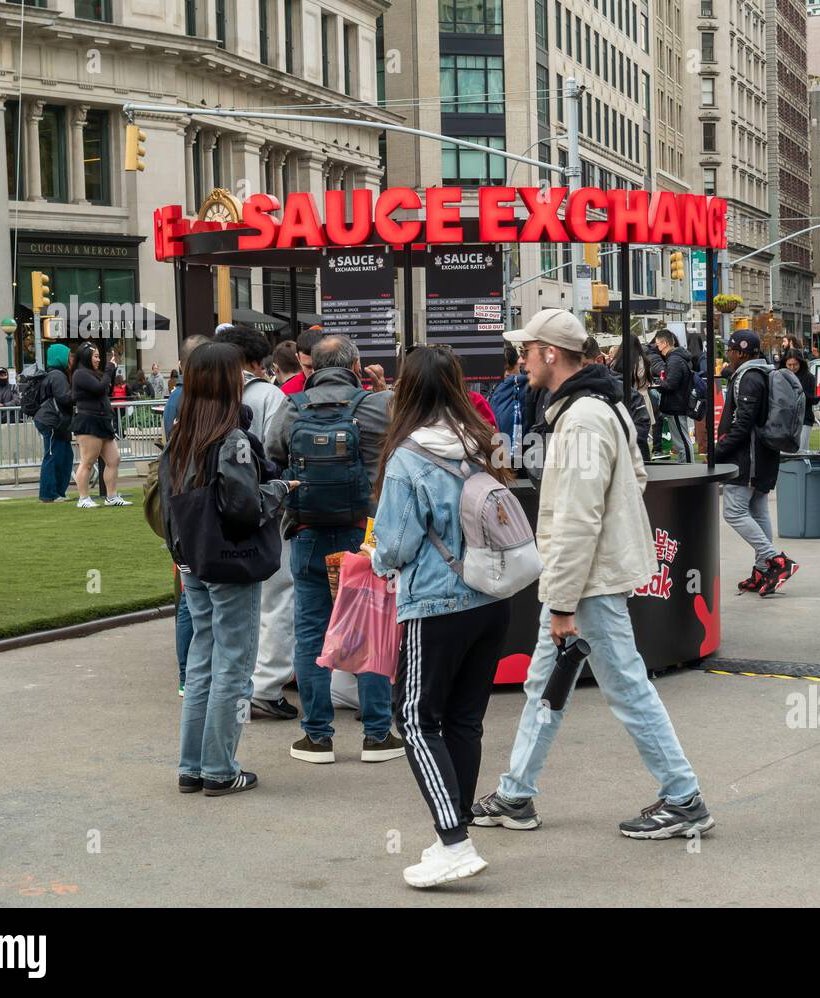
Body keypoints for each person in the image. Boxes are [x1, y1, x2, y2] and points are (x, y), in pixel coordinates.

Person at [473, 309, 714, 839]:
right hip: (589, 578)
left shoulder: (580, 417)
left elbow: (577, 519)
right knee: (547, 685)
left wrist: (561, 603)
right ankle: (516, 792)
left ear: (550, 354)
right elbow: (637, 475)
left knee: (625, 686)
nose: (521, 360)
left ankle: (683, 797)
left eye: (527, 350)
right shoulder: (603, 405)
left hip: (586, 583)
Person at [370, 345, 514, 888]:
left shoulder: (409, 456)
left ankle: (454, 839)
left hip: (435, 602)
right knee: (462, 719)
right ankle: (452, 833)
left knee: (413, 717)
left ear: (406, 389)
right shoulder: (481, 443)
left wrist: (377, 560)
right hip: (491, 597)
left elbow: (398, 542)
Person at [159, 341, 296, 796]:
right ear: (225, 380)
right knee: (233, 666)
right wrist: (279, 488)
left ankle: (193, 765)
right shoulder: (230, 439)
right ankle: (219, 768)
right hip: (229, 559)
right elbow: (243, 507)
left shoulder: (180, 434)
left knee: (203, 661)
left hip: (194, 557)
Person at [266, 335, 406, 765]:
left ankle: (318, 736)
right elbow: (399, 452)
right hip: (363, 534)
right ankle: (378, 734)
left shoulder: (292, 406)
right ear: (356, 364)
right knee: (368, 628)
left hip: (307, 531)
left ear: (310, 367)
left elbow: (273, 454)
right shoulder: (377, 405)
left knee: (310, 634)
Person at [217, 324, 301, 719]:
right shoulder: (271, 395)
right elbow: (274, 452)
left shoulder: (202, 396)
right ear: (257, 359)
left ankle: (234, 683)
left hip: (210, 516)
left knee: (223, 607)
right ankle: (265, 685)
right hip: (261, 507)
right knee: (276, 594)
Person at [717, 329, 797, 596]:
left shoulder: (749, 377)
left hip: (747, 458)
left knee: (734, 511)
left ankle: (776, 561)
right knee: (758, 509)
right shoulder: (761, 373)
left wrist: (720, 450)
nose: (727, 355)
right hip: (763, 455)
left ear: (740, 352)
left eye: (729, 350)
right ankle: (762, 569)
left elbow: (743, 423)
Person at [162, 334, 212, 698]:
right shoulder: (195, 401)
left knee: (190, 600)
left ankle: (188, 676)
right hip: (196, 514)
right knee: (195, 602)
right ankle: (191, 675)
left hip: (181, 515)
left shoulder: (177, 400)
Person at [71, 343, 131, 508]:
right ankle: (83, 498)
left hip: (102, 420)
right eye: (95, 356)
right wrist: (109, 369)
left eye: (98, 356)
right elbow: (99, 389)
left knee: (114, 459)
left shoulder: (93, 373)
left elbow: (106, 389)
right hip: (89, 421)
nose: (98, 360)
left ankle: (111, 496)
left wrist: (109, 372)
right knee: (88, 461)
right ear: (86, 357)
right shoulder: (80, 374)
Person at [35, 343, 74, 504]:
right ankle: (49, 493)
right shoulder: (57, 376)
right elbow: (64, 398)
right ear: (61, 358)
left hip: (55, 421)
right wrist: (79, 395)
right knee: (53, 456)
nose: (72, 359)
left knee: (64, 456)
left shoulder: (54, 375)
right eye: (69, 356)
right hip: (52, 422)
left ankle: (57, 491)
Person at [653, 328, 696, 463]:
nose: (657, 347)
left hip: (676, 405)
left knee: (682, 441)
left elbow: (671, 384)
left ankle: (689, 468)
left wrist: (656, 383)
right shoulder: (676, 358)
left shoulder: (674, 360)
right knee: (681, 441)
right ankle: (687, 466)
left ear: (664, 343)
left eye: (658, 344)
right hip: (676, 405)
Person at [610, 334, 655, 462]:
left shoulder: (616, 361)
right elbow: (646, 380)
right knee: (643, 435)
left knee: (625, 433)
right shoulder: (644, 361)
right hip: (642, 398)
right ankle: (644, 461)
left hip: (622, 400)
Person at [489, 343, 530, 457]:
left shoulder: (531, 383)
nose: (507, 373)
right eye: (503, 369)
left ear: (517, 363)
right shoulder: (492, 386)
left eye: (510, 368)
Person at [783, 350, 817, 429]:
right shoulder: (780, 376)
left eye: (795, 364)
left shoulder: (809, 377)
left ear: (800, 363)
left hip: (804, 419)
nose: (792, 368)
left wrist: (799, 393)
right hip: (785, 419)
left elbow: (815, 399)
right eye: (789, 365)